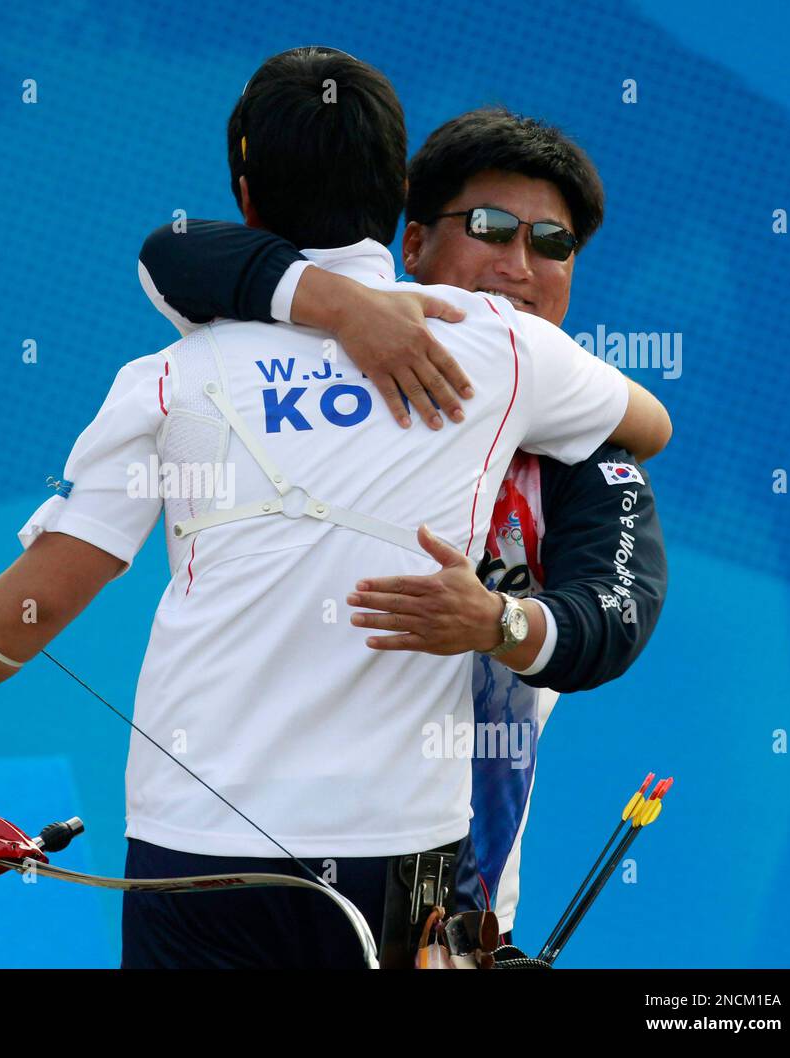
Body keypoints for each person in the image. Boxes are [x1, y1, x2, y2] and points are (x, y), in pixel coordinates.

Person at [0, 50, 670, 969]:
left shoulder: (172, 374)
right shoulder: (504, 348)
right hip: (397, 849)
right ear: (400, 208)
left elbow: (44, 595)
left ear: (246, 195)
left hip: (195, 844)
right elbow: (650, 423)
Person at [136, 106, 669, 940]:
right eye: (489, 228)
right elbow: (175, 251)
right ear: (410, 243)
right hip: (229, 860)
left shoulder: (585, 439)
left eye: (551, 243)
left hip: (446, 914)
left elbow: (617, 614)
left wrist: (500, 622)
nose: (518, 266)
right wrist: (350, 310)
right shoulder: (312, 363)